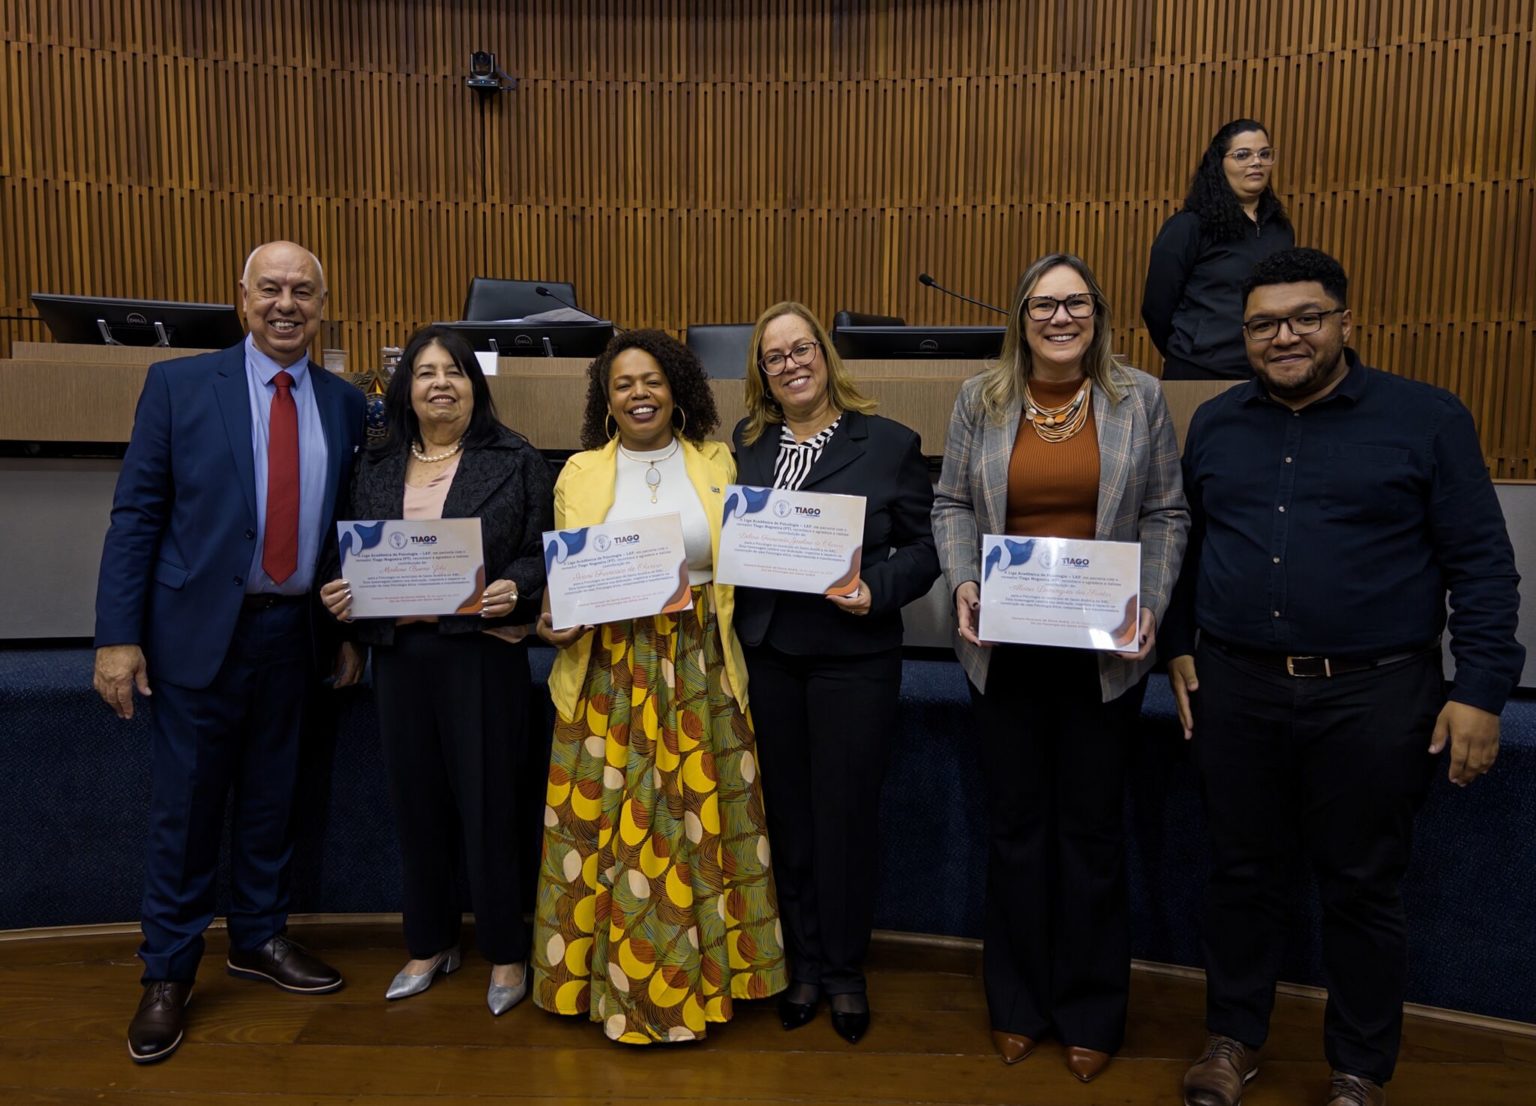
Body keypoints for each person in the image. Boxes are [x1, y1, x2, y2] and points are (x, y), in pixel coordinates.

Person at [1165, 248, 1524, 1106]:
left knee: (1363, 886)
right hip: (1237, 687)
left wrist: (1479, 688)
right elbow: (1186, 546)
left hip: (1376, 693)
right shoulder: (1215, 422)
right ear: (1243, 335)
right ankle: (1233, 1038)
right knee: (1239, 875)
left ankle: (1359, 1067)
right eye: (1263, 323)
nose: (1284, 336)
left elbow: (1482, 564)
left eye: (1305, 318)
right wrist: (1176, 640)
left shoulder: (1427, 419)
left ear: (1344, 324)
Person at [93, 241, 366, 1063]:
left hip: (296, 633)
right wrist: (116, 636)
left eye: (304, 292)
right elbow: (136, 515)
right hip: (195, 635)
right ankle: (168, 972)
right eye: (272, 289)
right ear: (241, 297)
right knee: (186, 809)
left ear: (323, 305)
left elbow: (350, 531)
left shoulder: (348, 404)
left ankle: (258, 938)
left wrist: (347, 631)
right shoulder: (177, 386)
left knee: (272, 801)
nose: (288, 304)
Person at [932, 253, 1189, 1082]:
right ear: (1021, 316)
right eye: (1044, 304)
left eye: (1075, 303)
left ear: (1098, 314)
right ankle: (1016, 1004)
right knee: (1014, 834)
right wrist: (966, 581)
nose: (1060, 318)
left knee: (1088, 835)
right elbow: (952, 504)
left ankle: (1089, 1010)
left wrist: (1149, 598)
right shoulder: (982, 398)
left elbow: (1165, 510)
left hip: (1100, 659)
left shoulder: (1138, 397)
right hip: (1004, 652)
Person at [530, 330, 787, 1043]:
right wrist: (555, 617)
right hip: (610, 666)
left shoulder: (718, 461)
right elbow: (567, 582)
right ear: (606, 401)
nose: (639, 393)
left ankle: (713, 977)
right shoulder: (578, 472)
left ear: (677, 390)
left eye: (652, 381)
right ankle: (598, 985)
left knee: (699, 819)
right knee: (609, 821)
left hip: (699, 662)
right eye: (623, 384)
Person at [319, 325, 552, 1015]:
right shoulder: (376, 463)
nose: (440, 383)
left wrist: (518, 585)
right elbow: (345, 549)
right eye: (425, 373)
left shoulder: (515, 458)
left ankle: (507, 953)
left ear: (474, 386)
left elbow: (544, 550)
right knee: (416, 806)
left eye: (453, 371)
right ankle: (430, 942)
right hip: (401, 657)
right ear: (406, 389)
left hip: (481, 656)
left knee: (490, 807)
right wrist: (340, 592)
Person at [731, 302, 939, 1043]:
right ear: (762, 373)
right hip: (771, 655)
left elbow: (926, 547)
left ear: (826, 355)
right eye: (774, 357)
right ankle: (803, 964)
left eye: (801, 349)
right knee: (787, 817)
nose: (790, 365)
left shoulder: (887, 444)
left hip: (854, 660)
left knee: (844, 817)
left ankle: (846, 970)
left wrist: (876, 589)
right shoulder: (747, 443)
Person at [1142, 117, 1294, 380]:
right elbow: (1157, 306)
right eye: (1243, 155)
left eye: (1264, 154)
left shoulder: (1280, 229)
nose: (1256, 162)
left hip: (1265, 371)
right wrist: (1189, 349)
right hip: (1198, 372)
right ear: (1219, 164)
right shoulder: (1188, 227)